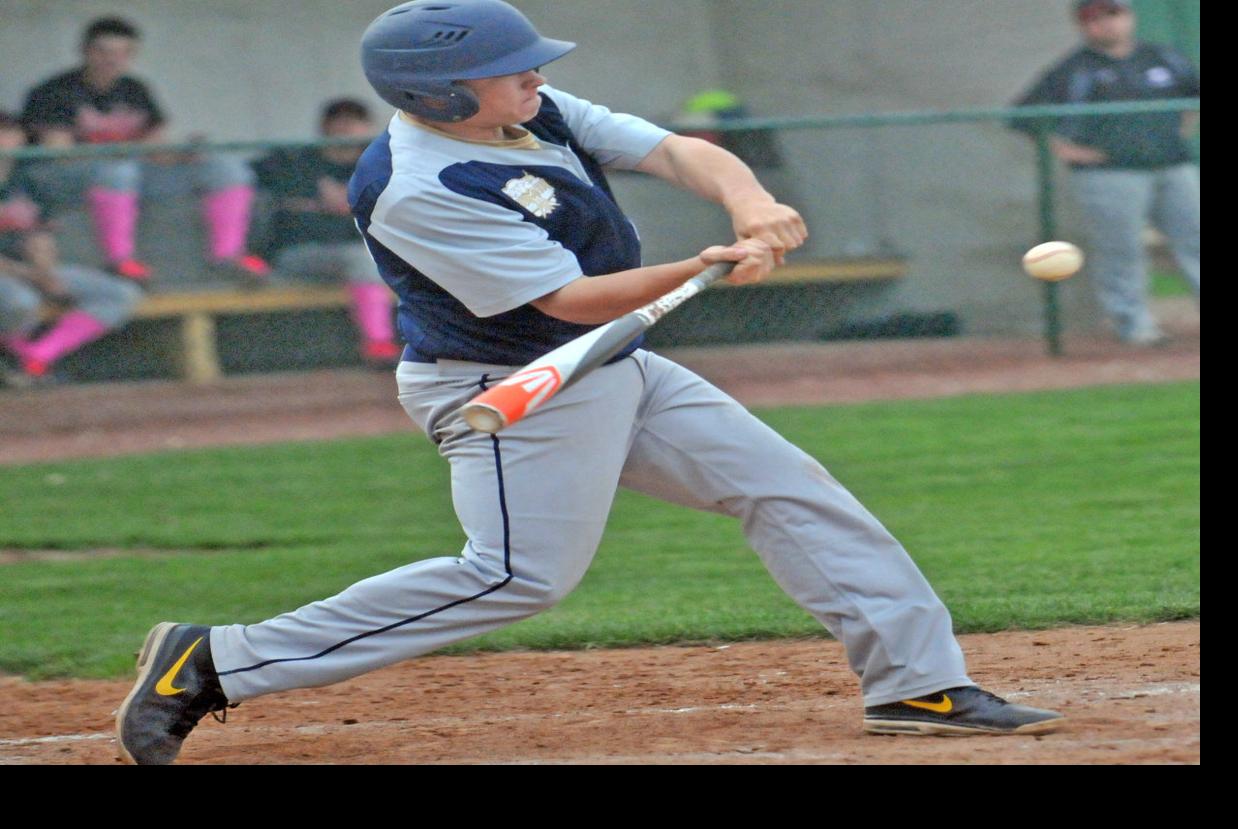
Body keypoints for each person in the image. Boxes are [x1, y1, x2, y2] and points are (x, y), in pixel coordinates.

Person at [115, 0, 1063, 765]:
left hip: (614, 363)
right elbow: (570, 300)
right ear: (443, 93)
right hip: (507, 379)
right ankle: (218, 659)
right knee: (515, 576)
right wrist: (708, 261)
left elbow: (676, 151)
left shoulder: (534, 110)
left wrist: (751, 200)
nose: (538, 74)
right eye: (514, 65)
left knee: (787, 488)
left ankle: (914, 681)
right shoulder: (419, 186)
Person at [18, 16, 270, 286]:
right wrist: (127, 152)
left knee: (224, 167)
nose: (112, 60)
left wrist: (186, 152)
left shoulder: (136, 89)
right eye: (103, 51)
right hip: (64, 178)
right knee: (119, 171)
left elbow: (156, 147)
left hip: (129, 173)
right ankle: (120, 261)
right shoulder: (54, 91)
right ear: (85, 51)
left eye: (122, 53)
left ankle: (227, 255)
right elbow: (59, 154)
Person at [1011, 0, 1200, 345]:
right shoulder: (1074, 68)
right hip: (1110, 174)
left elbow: (1192, 95)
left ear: (1129, 17)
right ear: (1082, 26)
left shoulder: (1162, 58)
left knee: (1196, 240)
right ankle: (1135, 327)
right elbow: (1023, 117)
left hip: (1173, 166)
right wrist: (1068, 150)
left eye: (1113, 14)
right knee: (1122, 251)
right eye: (1093, 18)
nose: (1106, 24)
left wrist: (1178, 132)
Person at [252, 99, 399, 368]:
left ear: (366, 127)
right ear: (324, 127)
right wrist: (318, 198)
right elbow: (255, 172)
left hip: (363, 259)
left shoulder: (380, 166)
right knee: (361, 259)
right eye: (338, 120)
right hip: (300, 256)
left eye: (354, 121)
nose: (345, 127)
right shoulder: (298, 164)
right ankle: (378, 343)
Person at [0, 111, 142, 385]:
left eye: (11, 133)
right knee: (21, 303)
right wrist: (35, 277)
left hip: (31, 270)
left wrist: (47, 274)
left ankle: (35, 358)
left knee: (120, 294)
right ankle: (10, 359)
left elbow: (40, 236)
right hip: (12, 276)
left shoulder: (27, 180)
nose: (7, 140)